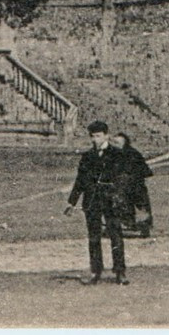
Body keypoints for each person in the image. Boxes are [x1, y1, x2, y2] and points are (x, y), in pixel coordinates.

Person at [63, 119, 129, 285]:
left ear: (106, 136)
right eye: (92, 137)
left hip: (111, 201)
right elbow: (80, 181)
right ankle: (96, 271)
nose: (95, 140)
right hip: (92, 202)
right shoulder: (87, 157)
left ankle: (120, 272)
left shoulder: (117, 154)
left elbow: (124, 180)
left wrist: (119, 198)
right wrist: (72, 202)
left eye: (98, 136)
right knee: (93, 237)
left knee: (116, 236)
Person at [113, 132, 154, 237]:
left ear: (124, 143)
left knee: (139, 205)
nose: (114, 145)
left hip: (135, 186)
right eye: (114, 142)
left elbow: (144, 172)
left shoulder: (133, 154)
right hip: (122, 187)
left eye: (117, 143)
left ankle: (139, 225)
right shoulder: (114, 155)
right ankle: (125, 223)